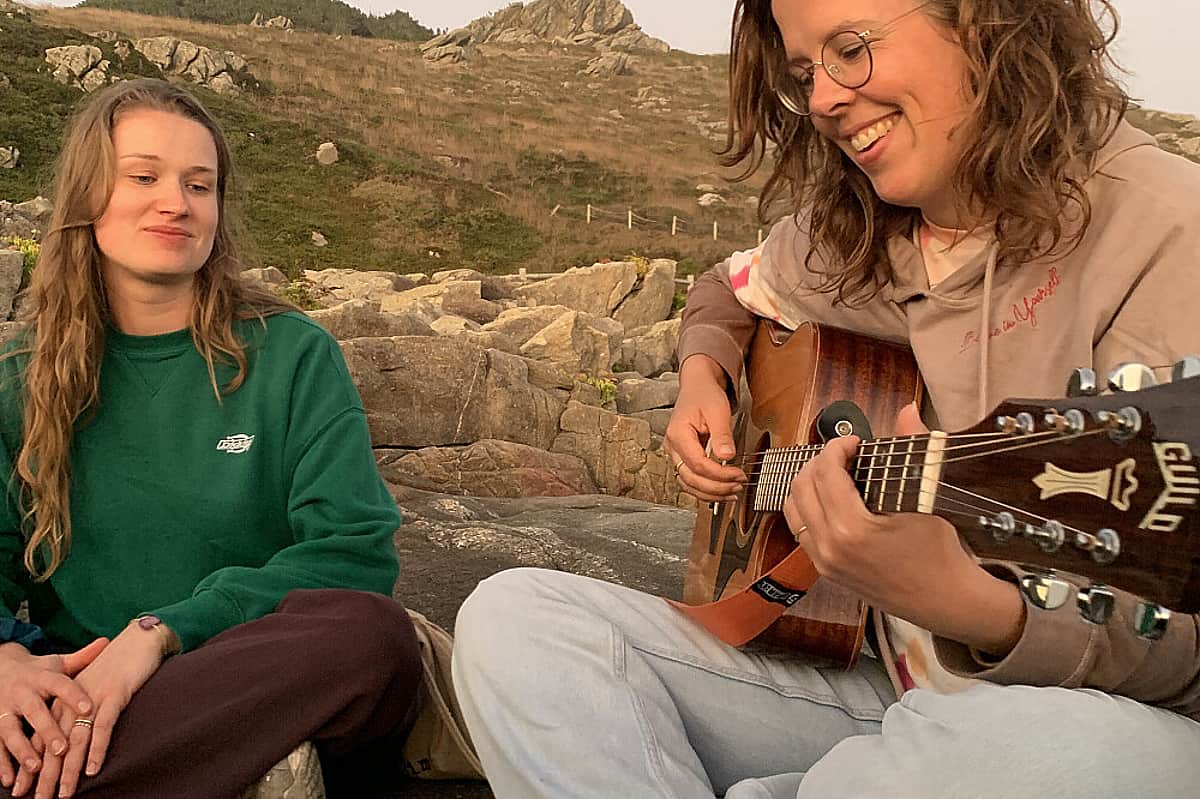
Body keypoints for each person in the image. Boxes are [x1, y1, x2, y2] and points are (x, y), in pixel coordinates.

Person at [451, 1, 1200, 797]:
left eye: (851, 49)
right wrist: (704, 373)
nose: (822, 100)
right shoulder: (855, 235)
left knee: (1071, 758)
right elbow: (728, 289)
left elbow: (1183, 641)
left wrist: (977, 606)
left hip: (1069, 720)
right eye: (806, 72)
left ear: (984, 22)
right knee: (515, 622)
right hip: (877, 694)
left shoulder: (1160, 227)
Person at [0, 78, 422, 799]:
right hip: (96, 697)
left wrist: (161, 630)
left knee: (373, 636)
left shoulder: (292, 354)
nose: (176, 202)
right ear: (87, 194)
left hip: (251, 672)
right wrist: (5, 660)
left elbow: (353, 553)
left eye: (200, 184)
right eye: (145, 176)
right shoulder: (20, 381)